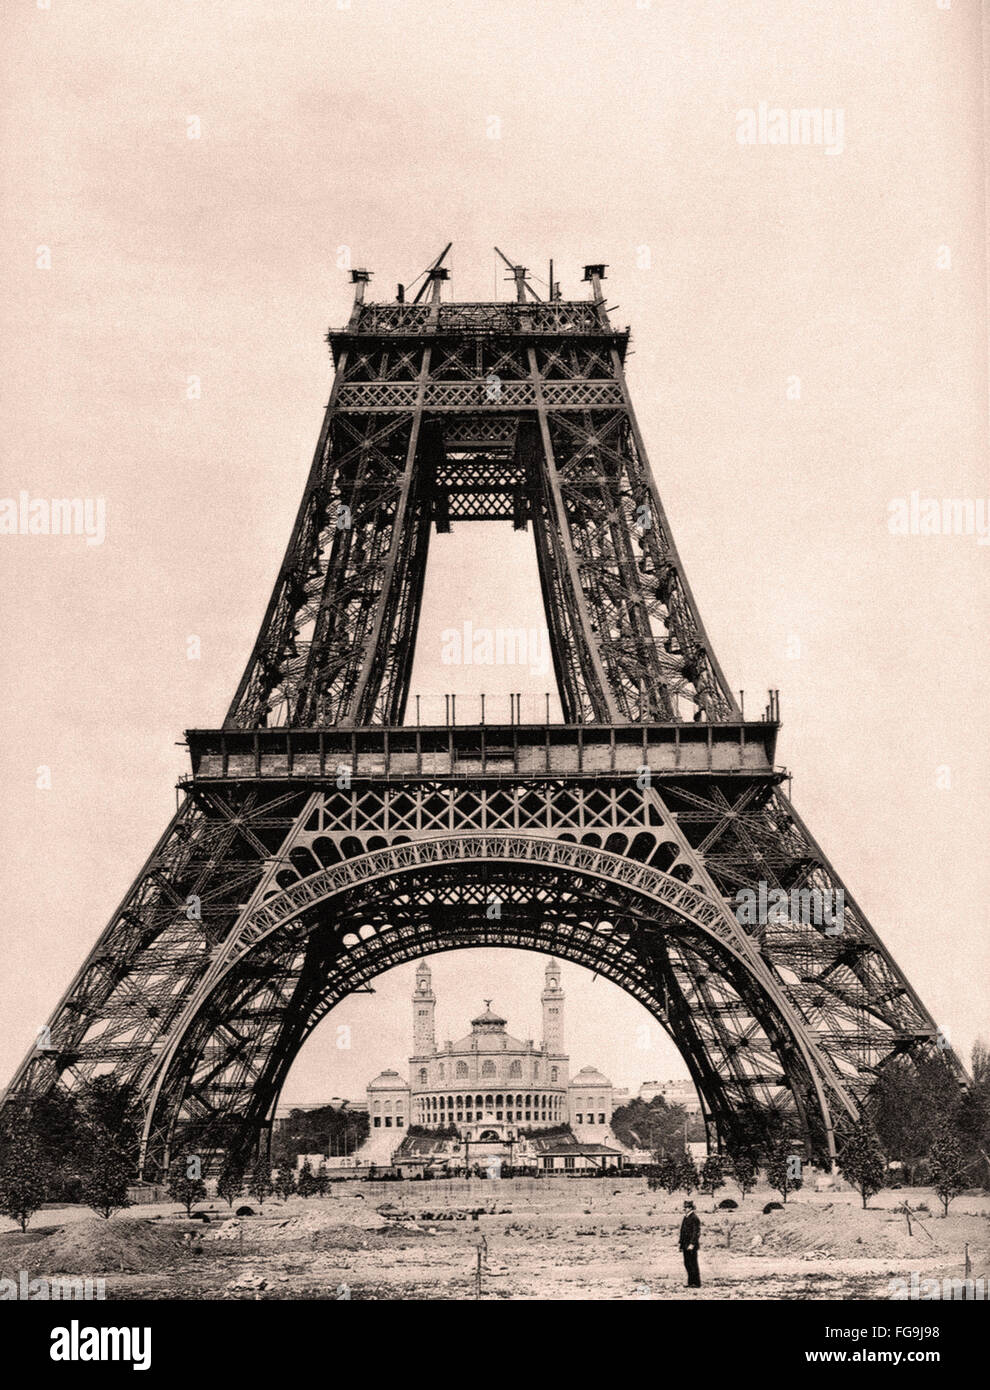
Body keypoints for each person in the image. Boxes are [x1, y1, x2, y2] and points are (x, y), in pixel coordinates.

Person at [678, 1199, 701, 1287]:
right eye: (685, 1207)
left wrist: (692, 1243)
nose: (685, 1209)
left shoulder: (694, 1218)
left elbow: (696, 1232)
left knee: (693, 1263)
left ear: (691, 1208)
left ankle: (696, 1283)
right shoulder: (686, 1217)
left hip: (691, 1245)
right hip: (685, 1244)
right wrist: (680, 1243)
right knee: (687, 1263)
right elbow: (682, 1231)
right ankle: (690, 1282)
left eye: (687, 1207)